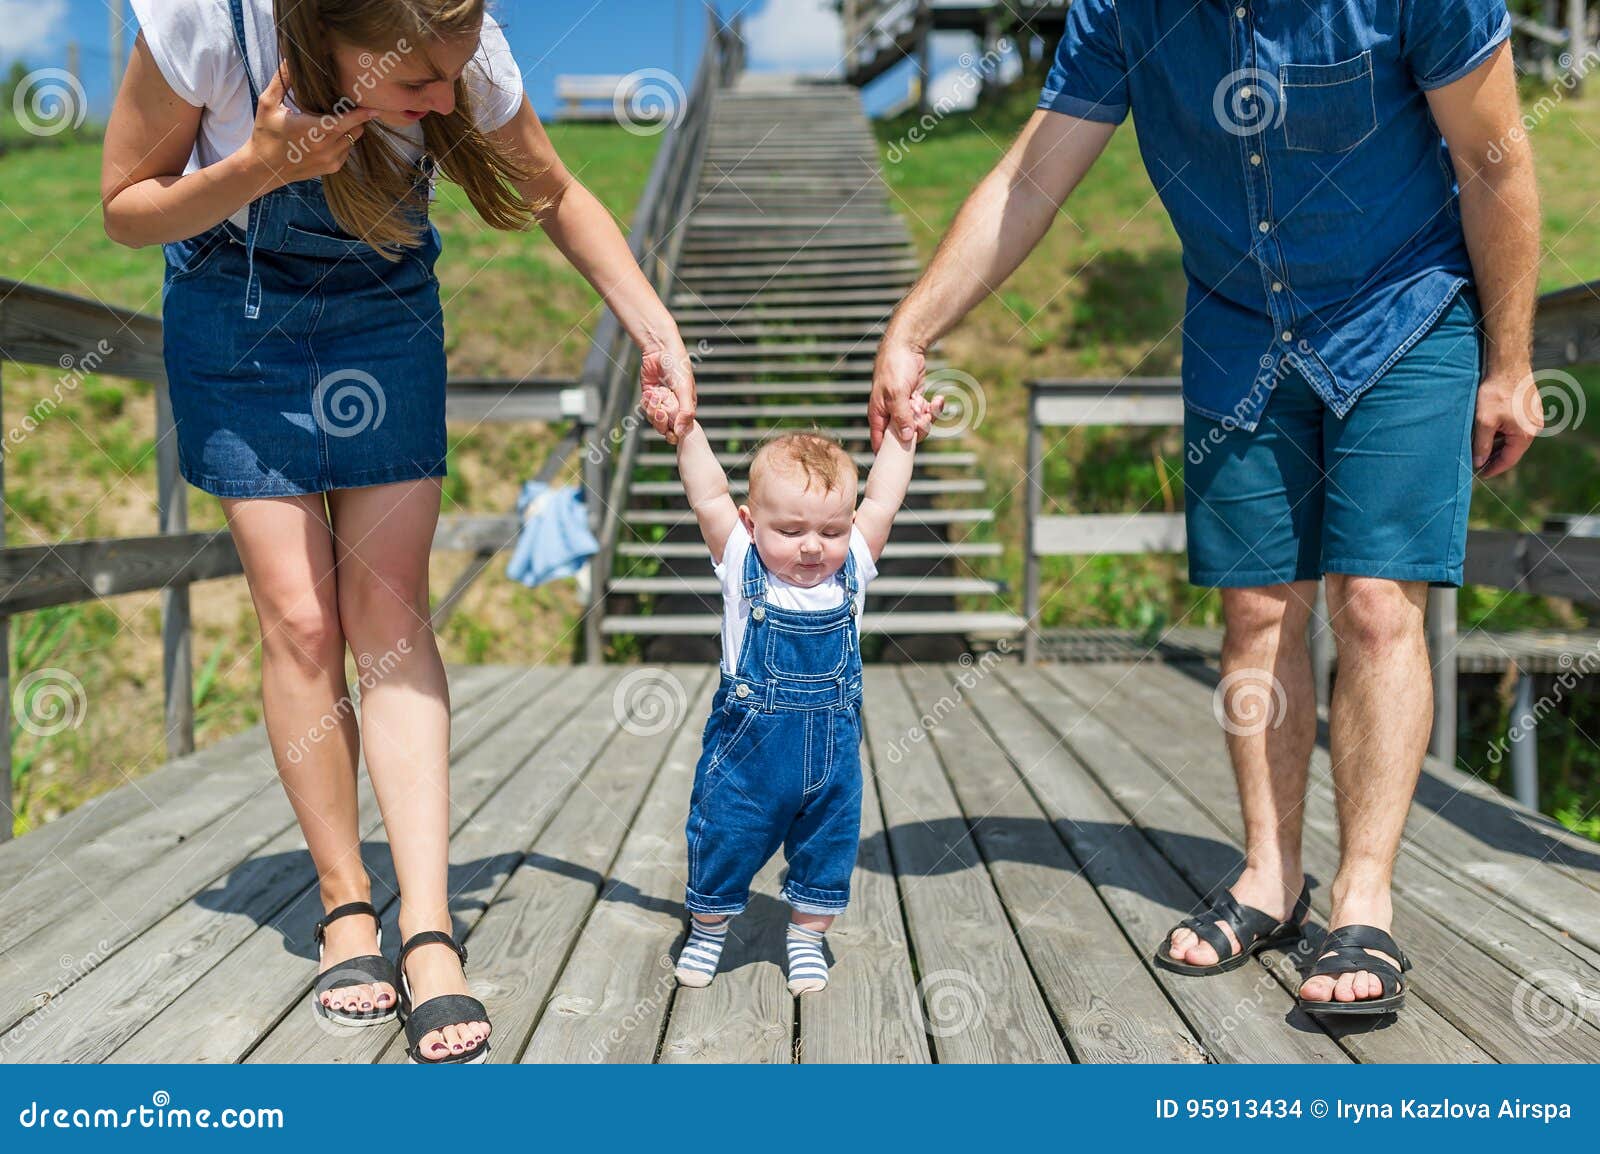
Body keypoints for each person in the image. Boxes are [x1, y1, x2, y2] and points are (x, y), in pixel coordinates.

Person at [869, 0, 1541, 1017]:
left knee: (1375, 601)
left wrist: (1511, 363)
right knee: (1256, 610)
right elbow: (1028, 177)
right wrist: (913, 328)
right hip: (1238, 325)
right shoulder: (1122, 11)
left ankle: (1364, 896)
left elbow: (1493, 163)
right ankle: (1270, 875)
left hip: (1403, 309)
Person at [102, 0, 695, 1063]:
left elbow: (555, 191)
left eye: (452, 74)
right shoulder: (205, 21)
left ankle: (427, 924)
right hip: (234, 316)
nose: (444, 98)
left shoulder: (462, 43)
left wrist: (655, 330)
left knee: (387, 610)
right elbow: (125, 210)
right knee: (299, 620)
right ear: (331, 34)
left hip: (383, 311)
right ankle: (345, 905)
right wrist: (259, 167)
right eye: (418, 82)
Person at [661, 405, 936, 995]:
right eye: (790, 532)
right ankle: (708, 929)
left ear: (848, 528)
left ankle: (807, 937)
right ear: (750, 523)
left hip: (832, 762)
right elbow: (707, 495)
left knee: (828, 850)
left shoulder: (852, 567)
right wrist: (686, 431)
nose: (812, 547)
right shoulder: (741, 565)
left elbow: (884, 500)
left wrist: (903, 438)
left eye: (831, 532)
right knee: (724, 836)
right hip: (747, 760)